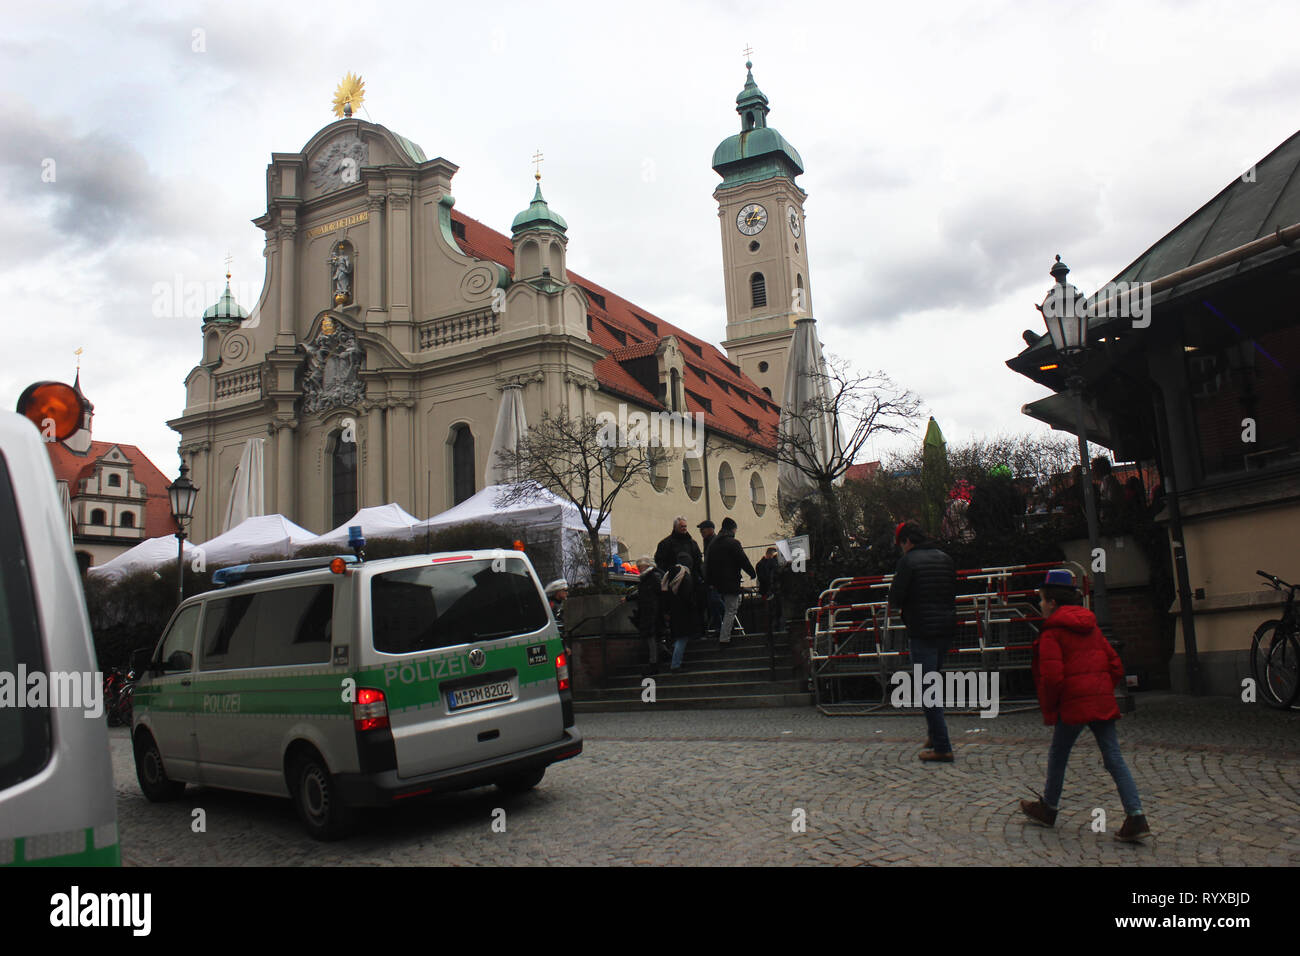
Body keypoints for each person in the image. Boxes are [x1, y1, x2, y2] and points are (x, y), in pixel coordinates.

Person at [1020, 569, 1151, 842]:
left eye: (1042, 600)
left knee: (1058, 753)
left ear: (1053, 602)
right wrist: (1101, 687)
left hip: (1072, 703)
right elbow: (1115, 663)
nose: (1041, 605)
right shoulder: (1091, 626)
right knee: (1113, 757)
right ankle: (1135, 815)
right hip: (1100, 699)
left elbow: (1053, 678)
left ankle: (1049, 807)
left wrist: (1053, 704)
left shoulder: (1052, 633)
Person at [887, 521, 957, 762]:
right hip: (945, 628)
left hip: (922, 630)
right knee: (934, 682)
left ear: (907, 541)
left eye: (901, 544)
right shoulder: (945, 558)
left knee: (928, 690)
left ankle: (942, 746)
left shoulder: (908, 562)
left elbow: (896, 596)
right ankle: (933, 735)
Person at [707, 517, 756, 647]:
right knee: (731, 609)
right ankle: (725, 638)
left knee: (730, 606)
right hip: (731, 582)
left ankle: (727, 630)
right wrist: (752, 573)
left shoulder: (714, 544)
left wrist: (710, 581)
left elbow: (708, 564)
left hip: (717, 583)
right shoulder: (733, 543)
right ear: (732, 529)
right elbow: (743, 560)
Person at [662, 551, 700, 672]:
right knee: (682, 638)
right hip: (683, 611)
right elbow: (687, 595)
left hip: (672, 611)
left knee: (678, 637)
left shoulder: (668, 574)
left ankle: (673, 656)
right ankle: (675, 664)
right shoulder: (685, 575)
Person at [631, 556, 667, 676]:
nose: (638, 568)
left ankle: (654, 664)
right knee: (654, 639)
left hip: (651, 614)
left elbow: (655, 595)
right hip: (651, 613)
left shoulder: (650, 579)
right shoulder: (650, 578)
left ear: (646, 566)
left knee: (652, 639)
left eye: (639, 566)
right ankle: (662, 657)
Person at [697, 519, 724, 634]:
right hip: (710, 579)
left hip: (715, 579)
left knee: (715, 601)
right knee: (713, 604)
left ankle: (724, 623)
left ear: (710, 530)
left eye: (703, 530)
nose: (701, 532)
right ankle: (719, 626)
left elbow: (715, 562)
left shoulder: (714, 542)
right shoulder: (708, 541)